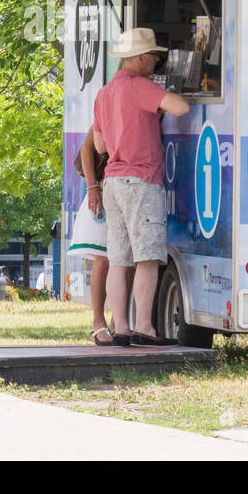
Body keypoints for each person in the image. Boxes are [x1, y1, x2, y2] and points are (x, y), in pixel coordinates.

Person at [92, 27, 190, 346]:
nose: (156, 63)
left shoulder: (105, 93)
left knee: (119, 261)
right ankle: (145, 327)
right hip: (142, 180)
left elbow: (100, 144)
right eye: (153, 57)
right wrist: (163, 100)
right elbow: (181, 108)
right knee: (148, 258)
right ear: (138, 58)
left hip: (114, 182)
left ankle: (121, 328)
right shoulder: (139, 86)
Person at [78, 125, 113, 345]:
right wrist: (92, 187)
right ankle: (98, 322)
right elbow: (87, 148)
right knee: (103, 258)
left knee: (126, 261)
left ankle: (119, 321)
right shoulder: (108, 104)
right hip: (104, 189)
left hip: (131, 187)